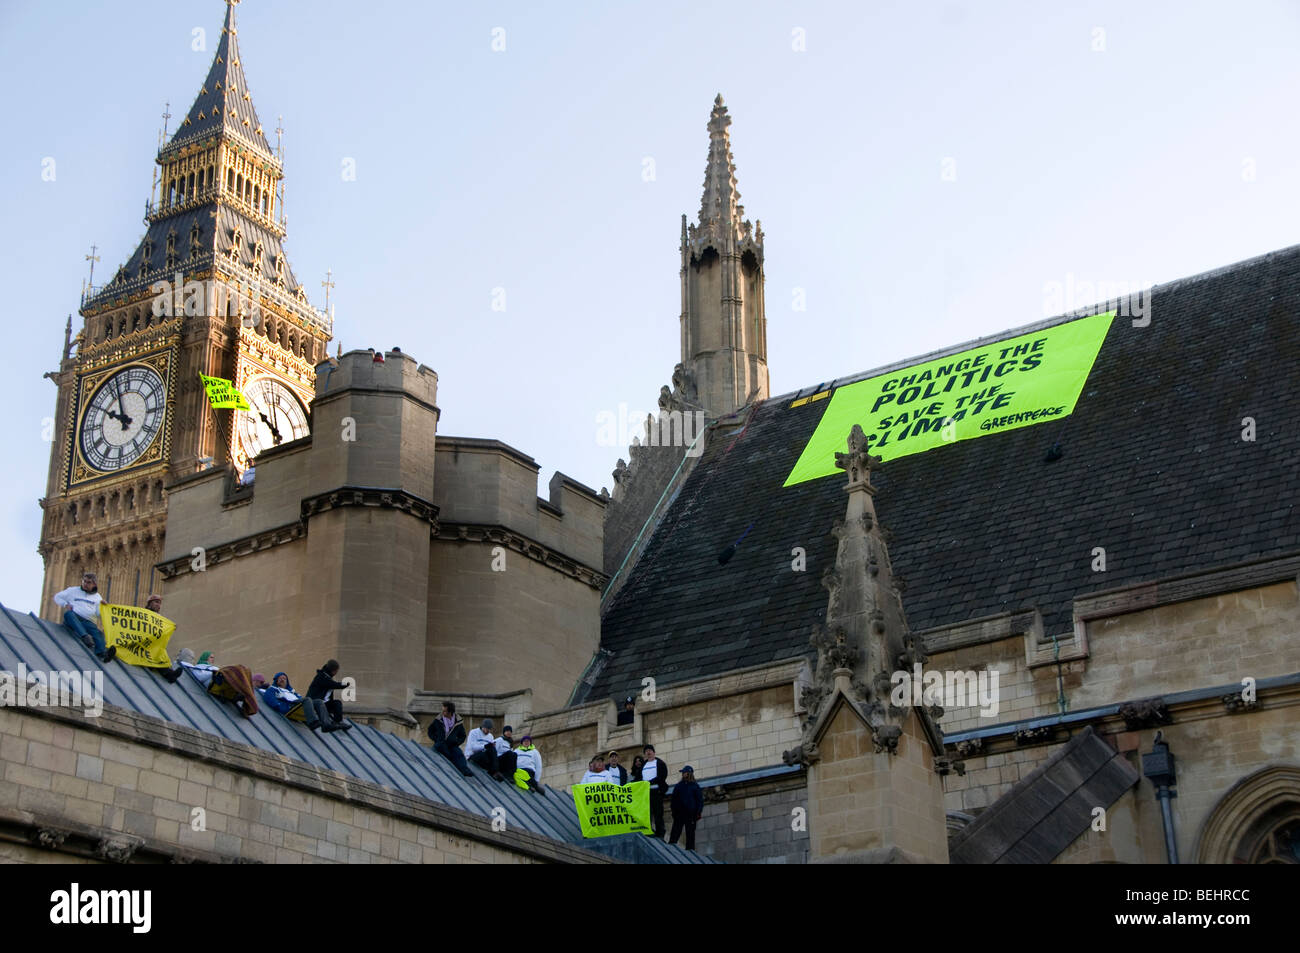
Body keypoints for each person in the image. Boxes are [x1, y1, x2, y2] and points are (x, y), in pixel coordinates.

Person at [53, 572, 116, 663]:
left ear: (94, 584)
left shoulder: (97, 597)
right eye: (84, 581)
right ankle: (85, 636)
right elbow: (57, 597)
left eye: (88, 582)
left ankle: (103, 653)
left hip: (87, 622)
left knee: (98, 634)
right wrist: (65, 604)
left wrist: (104, 608)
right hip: (74, 618)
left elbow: (98, 614)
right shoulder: (73, 590)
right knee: (68, 614)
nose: (85, 584)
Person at [306, 659, 352, 732]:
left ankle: (338, 722)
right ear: (334, 670)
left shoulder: (326, 676)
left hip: (324, 703)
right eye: (336, 671)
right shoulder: (322, 677)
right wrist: (346, 684)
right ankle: (328, 725)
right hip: (316, 703)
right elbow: (333, 684)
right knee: (334, 703)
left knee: (337, 703)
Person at [428, 701, 472, 777]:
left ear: (450, 712)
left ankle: (465, 770)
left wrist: (456, 742)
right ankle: (452, 762)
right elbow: (430, 731)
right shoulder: (438, 720)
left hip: (452, 745)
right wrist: (436, 739)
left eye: (444, 711)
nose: (443, 713)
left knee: (459, 754)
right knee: (443, 750)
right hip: (441, 743)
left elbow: (463, 736)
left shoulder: (458, 722)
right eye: (443, 711)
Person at [669, 766, 704, 851]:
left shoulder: (695, 786)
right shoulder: (678, 786)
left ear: (688, 773)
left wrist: (698, 812)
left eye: (684, 772)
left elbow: (699, 801)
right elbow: (674, 800)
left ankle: (690, 850)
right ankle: (671, 846)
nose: (683, 774)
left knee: (690, 833)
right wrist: (674, 811)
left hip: (691, 813)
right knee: (676, 831)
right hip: (679, 813)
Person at [642, 744, 670, 837]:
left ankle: (660, 832)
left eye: (650, 750)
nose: (648, 752)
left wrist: (650, 782)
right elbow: (638, 777)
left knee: (658, 813)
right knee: (647, 813)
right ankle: (649, 830)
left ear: (653, 752)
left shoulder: (659, 763)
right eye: (646, 751)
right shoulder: (644, 765)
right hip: (646, 793)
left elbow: (662, 776)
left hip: (656, 791)